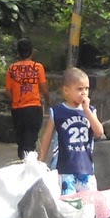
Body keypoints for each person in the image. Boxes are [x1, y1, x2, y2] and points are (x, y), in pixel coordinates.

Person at [38, 67, 104, 195]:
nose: (84, 93)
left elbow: (99, 132)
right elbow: (47, 138)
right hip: (64, 169)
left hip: (86, 168)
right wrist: (41, 162)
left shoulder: (90, 111)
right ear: (66, 90)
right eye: (79, 89)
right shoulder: (57, 112)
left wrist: (87, 111)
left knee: (89, 205)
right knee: (67, 206)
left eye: (87, 88)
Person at [6, 38, 47, 161]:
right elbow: (44, 88)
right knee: (31, 138)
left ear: (18, 53)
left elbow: (8, 91)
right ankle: (28, 165)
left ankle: (23, 162)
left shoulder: (11, 69)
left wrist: (16, 101)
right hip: (34, 108)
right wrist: (48, 101)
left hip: (18, 109)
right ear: (32, 52)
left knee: (21, 140)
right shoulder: (38, 67)